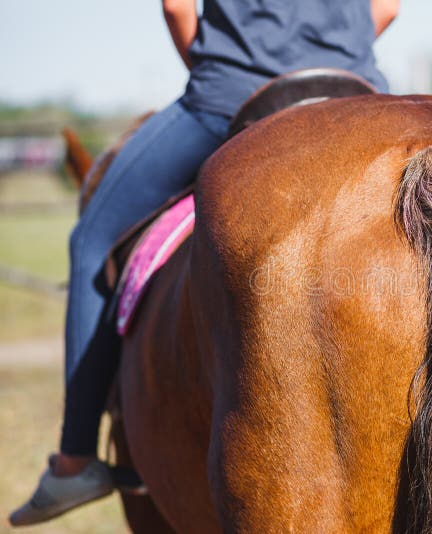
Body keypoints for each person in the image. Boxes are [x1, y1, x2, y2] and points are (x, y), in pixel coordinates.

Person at [9, 0, 398, 526]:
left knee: (92, 241)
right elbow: (388, 8)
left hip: (232, 90)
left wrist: (230, 65)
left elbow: (176, 8)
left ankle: (74, 461)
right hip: (356, 89)